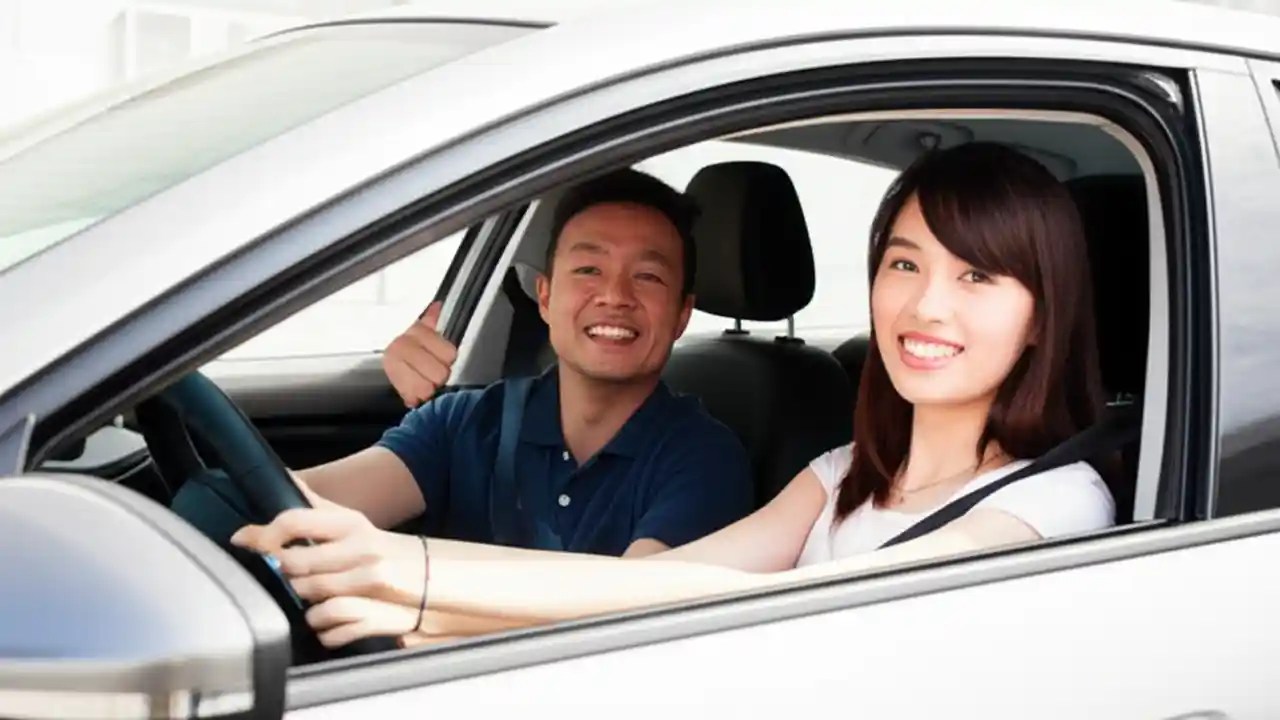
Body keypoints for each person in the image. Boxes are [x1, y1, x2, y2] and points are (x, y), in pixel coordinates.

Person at [232, 143, 1119, 649]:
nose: (926, 306)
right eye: (904, 264)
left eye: (977, 277)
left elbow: (773, 600)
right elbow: (660, 584)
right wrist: (415, 620)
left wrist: (414, 578)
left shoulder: (1055, 502)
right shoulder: (843, 473)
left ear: (1041, 317)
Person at [207, 168, 753, 566]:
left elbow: (630, 610)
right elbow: (300, 504)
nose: (614, 295)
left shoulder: (704, 458)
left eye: (648, 277)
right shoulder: (465, 422)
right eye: (588, 269)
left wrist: (406, 575)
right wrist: (209, 503)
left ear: (682, 314)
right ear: (544, 297)